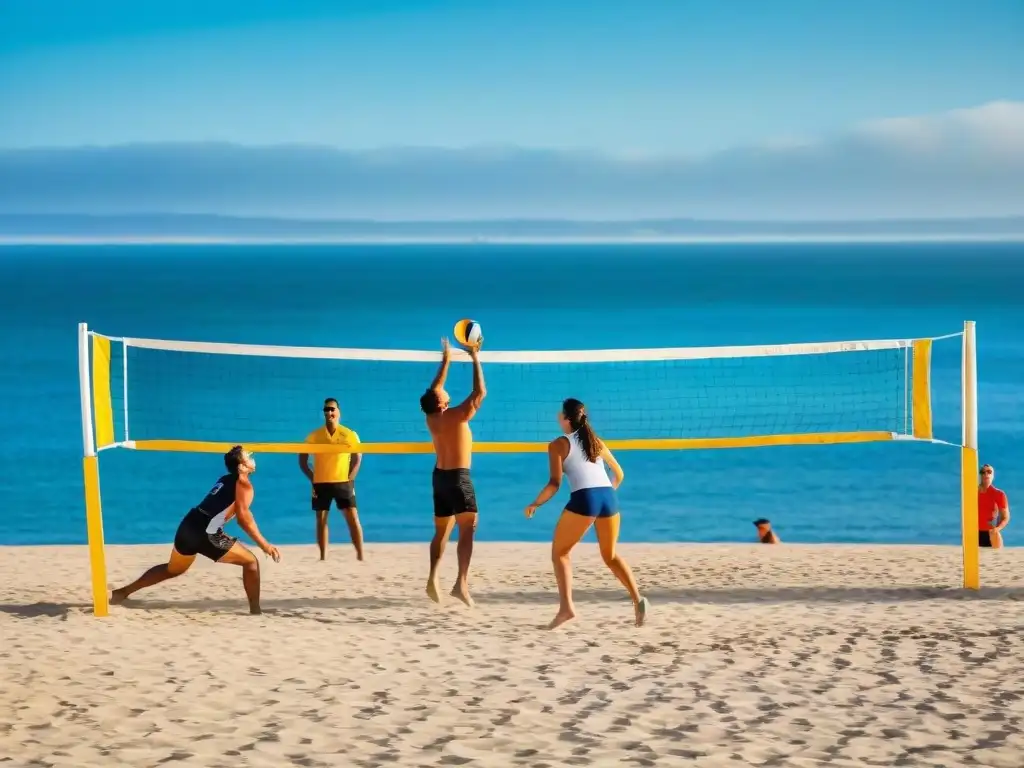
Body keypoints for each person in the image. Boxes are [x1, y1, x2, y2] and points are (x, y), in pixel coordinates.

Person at [110, 446, 281, 614]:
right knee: (251, 562)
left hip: (189, 524)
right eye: (247, 456)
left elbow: (238, 511)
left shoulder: (225, 479)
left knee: (172, 569)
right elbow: (243, 518)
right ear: (242, 466)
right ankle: (256, 611)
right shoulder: (243, 485)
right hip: (206, 533)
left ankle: (122, 592)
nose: (252, 456)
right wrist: (265, 545)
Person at [525, 398, 648, 630]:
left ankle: (566, 609)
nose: (557, 416)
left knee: (560, 553)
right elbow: (619, 474)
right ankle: (638, 599)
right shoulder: (595, 441)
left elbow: (554, 484)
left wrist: (535, 503)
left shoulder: (557, 445)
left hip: (586, 498)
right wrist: (605, 494)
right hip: (609, 499)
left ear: (567, 419)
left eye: (560, 413)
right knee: (610, 555)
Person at [420, 336, 485, 607]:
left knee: (441, 532)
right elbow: (480, 392)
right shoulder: (457, 415)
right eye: (445, 394)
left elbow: (434, 389)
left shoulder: (432, 417)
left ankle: (433, 577)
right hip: (459, 479)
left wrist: (445, 360)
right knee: (468, 528)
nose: (447, 391)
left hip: (439, 478)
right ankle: (461, 583)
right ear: (442, 403)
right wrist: (474, 356)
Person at [298, 398, 364, 561]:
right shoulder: (314, 436)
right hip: (321, 483)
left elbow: (358, 457)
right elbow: (302, 460)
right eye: (326, 410)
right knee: (321, 520)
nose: (329, 412)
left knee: (353, 518)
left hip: (343, 482)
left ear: (338, 412)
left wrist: (350, 478)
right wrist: (313, 478)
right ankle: (322, 557)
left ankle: (361, 556)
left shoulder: (349, 434)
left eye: (332, 409)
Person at [979, 463, 1010, 548]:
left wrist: (997, 529)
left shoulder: (999, 494)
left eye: (989, 472)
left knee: (997, 558)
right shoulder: (972, 493)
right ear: (979, 475)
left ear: (993, 476)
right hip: (973, 534)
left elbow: (1005, 517)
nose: (986, 474)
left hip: (991, 533)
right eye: (983, 472)